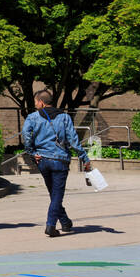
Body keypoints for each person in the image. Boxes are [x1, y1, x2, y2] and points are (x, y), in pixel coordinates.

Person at [22, 89, 92, 237]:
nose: (35, 105)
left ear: (41, 102)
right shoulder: (64, 117)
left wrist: (32, 153)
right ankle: (50, 225)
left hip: (42, 160)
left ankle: (65, 222)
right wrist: (84, 158)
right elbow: (73, 140)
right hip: (60, 160)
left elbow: (26, 137)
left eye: (36, 102)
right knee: (57, 195)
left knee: (54, 194)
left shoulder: (32, 117)